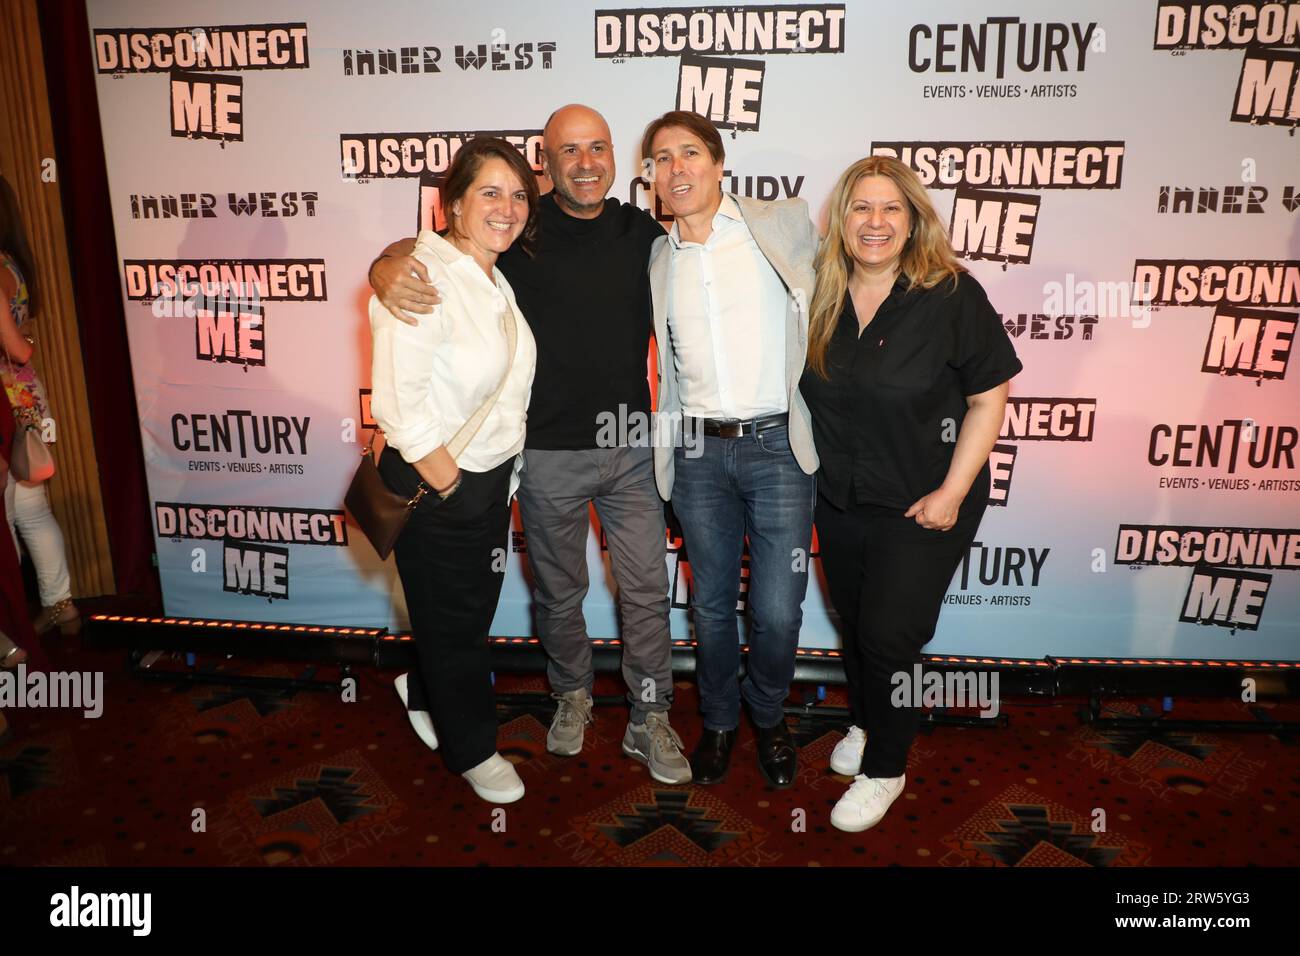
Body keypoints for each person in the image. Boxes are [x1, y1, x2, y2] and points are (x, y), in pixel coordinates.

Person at [370, 106, 692, 785]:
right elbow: (434, 253)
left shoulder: (644, 232)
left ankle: (650, 715)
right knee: (557, 590)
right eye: (568, 150)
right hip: (543, 454)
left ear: (615, 157)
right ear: (545, 161)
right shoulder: (520, 229)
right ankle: (571, 695)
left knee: (644, 591)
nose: (585, 162)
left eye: (598, 147)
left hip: (630, 447)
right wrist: (384, 265)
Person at [799, 156, 1021, 831]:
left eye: (890, 208)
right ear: (840, 221)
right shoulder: (819, 292)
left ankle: (886, 767)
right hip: (841, 495)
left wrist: (953, 491)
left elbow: (989, 398)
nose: (875, 222)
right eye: (860, 208)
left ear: (913, 218)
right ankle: (869, 722)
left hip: (927, 496)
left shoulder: (951, 294)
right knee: (857, 624)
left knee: (890, 635)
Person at [642, 110, 820, 788]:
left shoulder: (780, 226)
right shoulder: (657, 255)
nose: (676, 168)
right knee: (710, 606)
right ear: (653, 178)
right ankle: (718, 723)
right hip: (695, 453)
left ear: (720, 165)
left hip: (778, 445)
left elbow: (857, 275)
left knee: (776, 609)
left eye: (690, 153)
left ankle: (768, 717)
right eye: (662, 158)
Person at [369, 137, 539, 804]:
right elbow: (398, 405)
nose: (508, 206)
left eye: (519, 194)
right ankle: (473, 749)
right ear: (455, 203)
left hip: (489, 479)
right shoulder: (421, 273)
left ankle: (426, 683)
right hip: (441, 482)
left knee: (460, 620)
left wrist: (488, 487)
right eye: (490, 192)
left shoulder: (493, 276)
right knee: (458, 627)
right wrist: (451, 484)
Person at [0, 174, 78, 637]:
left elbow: (18, 346)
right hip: (27, 393)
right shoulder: (13, 263)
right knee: (32, 508)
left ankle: (13, 629)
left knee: (8, 514)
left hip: (6, 400)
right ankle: (60, 606)